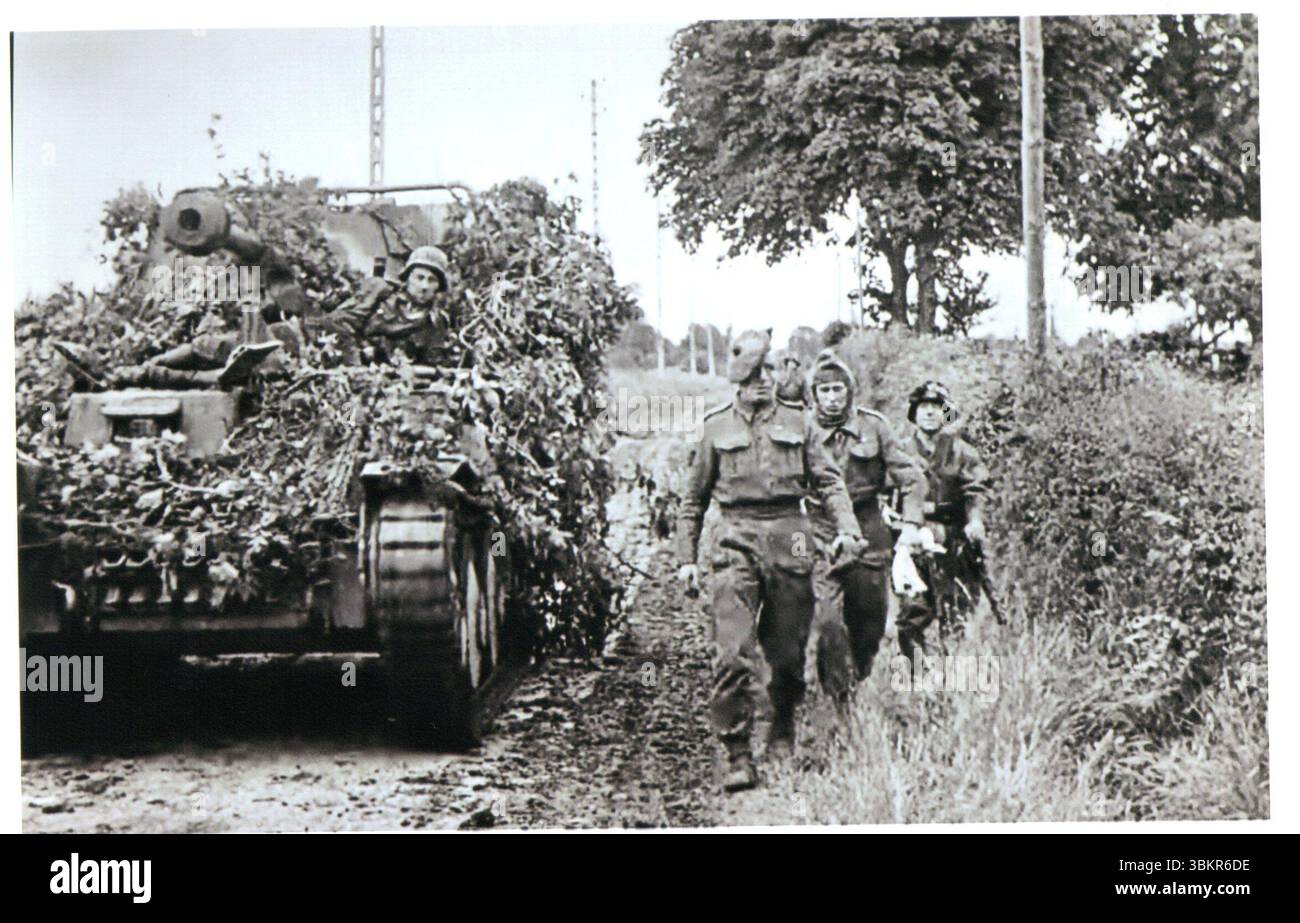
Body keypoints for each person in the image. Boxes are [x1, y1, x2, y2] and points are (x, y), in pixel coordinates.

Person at [676, 330, 863, 793]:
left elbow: (829, 482)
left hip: (790, 536)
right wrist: (686, 560)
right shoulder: (716, 428)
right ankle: (738, 752)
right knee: (732, 651)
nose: (764, 382)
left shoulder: (800, 423)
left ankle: (782, 727)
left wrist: (848, 529)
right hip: (735, 538)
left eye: (768, 373)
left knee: (787, 650)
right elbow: (692, 501)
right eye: (754, 375)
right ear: (738, 380)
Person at [805, 350, 927, 699]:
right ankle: (838, 697)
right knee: (828, 619)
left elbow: (912, 478)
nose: (831, 398)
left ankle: (858, 674)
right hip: (821, 530)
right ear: (813, 394)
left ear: (850, 392)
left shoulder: (874, 426)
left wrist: (912, 524)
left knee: (869, 623)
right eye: (824, 390)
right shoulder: (801, 430)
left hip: (869, 530)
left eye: (838, 390)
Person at [896, 380, 991, 656]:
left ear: (945, 413)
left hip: (953, 537)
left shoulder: (962, 451)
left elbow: (976, 490)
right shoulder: (899, 451)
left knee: (956, 609)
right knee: (913, 610)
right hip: (914, 538)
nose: (929, 413)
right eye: (923, 407)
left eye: (937, 407)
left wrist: (975, 520)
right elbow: (884, 491)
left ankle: (953, 678)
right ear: (914, 413)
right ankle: (916, 675)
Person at [323, 245, 466, 366]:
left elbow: (432, 362)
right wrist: (355, 361)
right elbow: (338, 321)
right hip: (346, 361)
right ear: (407, 278)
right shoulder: (380, 291)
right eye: (419, 277)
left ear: (439, 286)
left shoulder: (435, 322)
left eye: (432, 280)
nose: (424, 286)